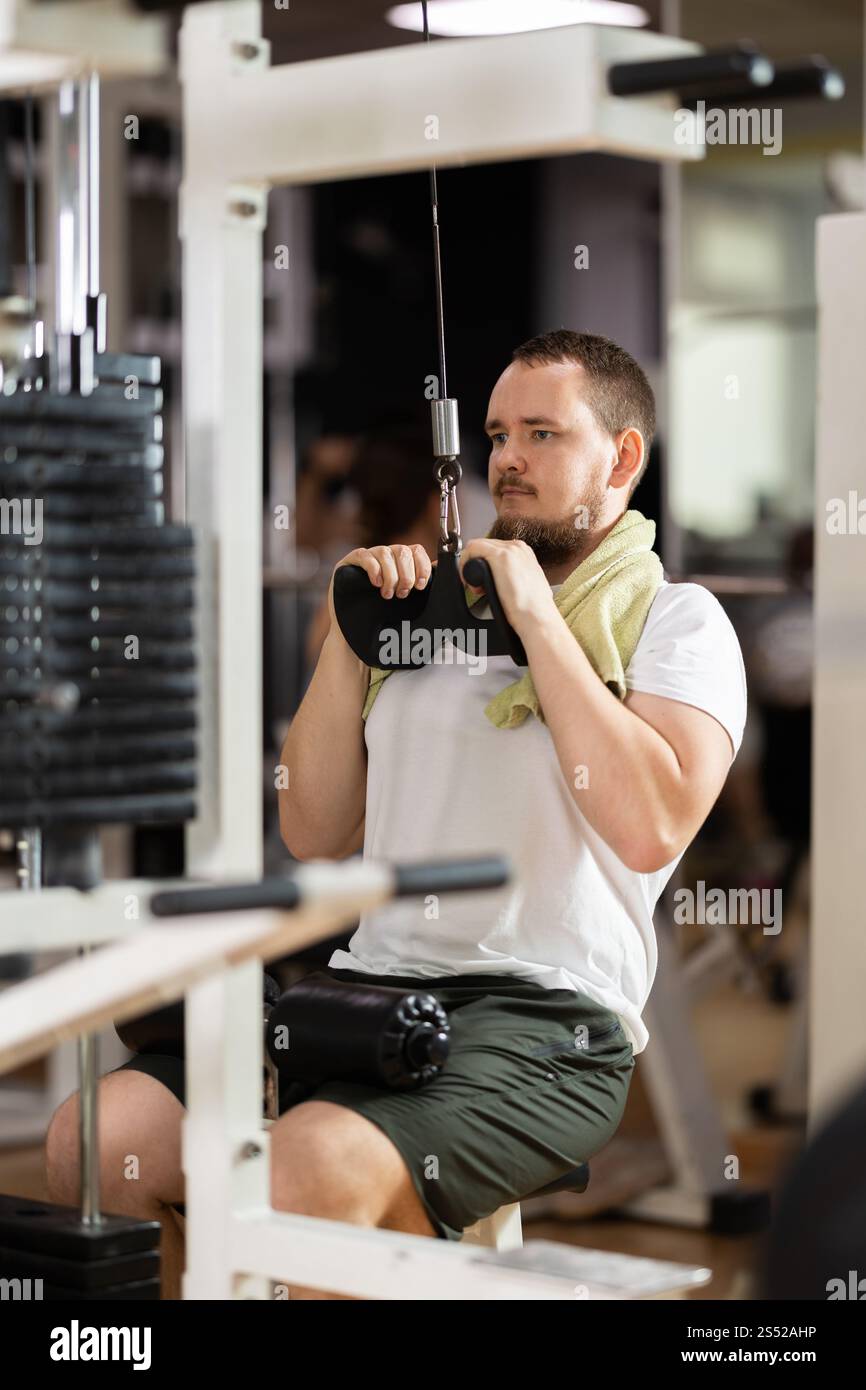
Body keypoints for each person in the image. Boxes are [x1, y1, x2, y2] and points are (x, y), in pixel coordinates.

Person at [44, 330, 746, 1299]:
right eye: (497, 433)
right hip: (364, 997)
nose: (505, 458)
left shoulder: (678, 621)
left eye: (542, 433)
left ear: (620, 458)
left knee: (303, 1170)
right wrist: (347, 638)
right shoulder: (426, 620)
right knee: (99, 1138)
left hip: (543, 1021)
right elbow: (314, 831)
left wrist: (536, 616)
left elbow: (648, 825)